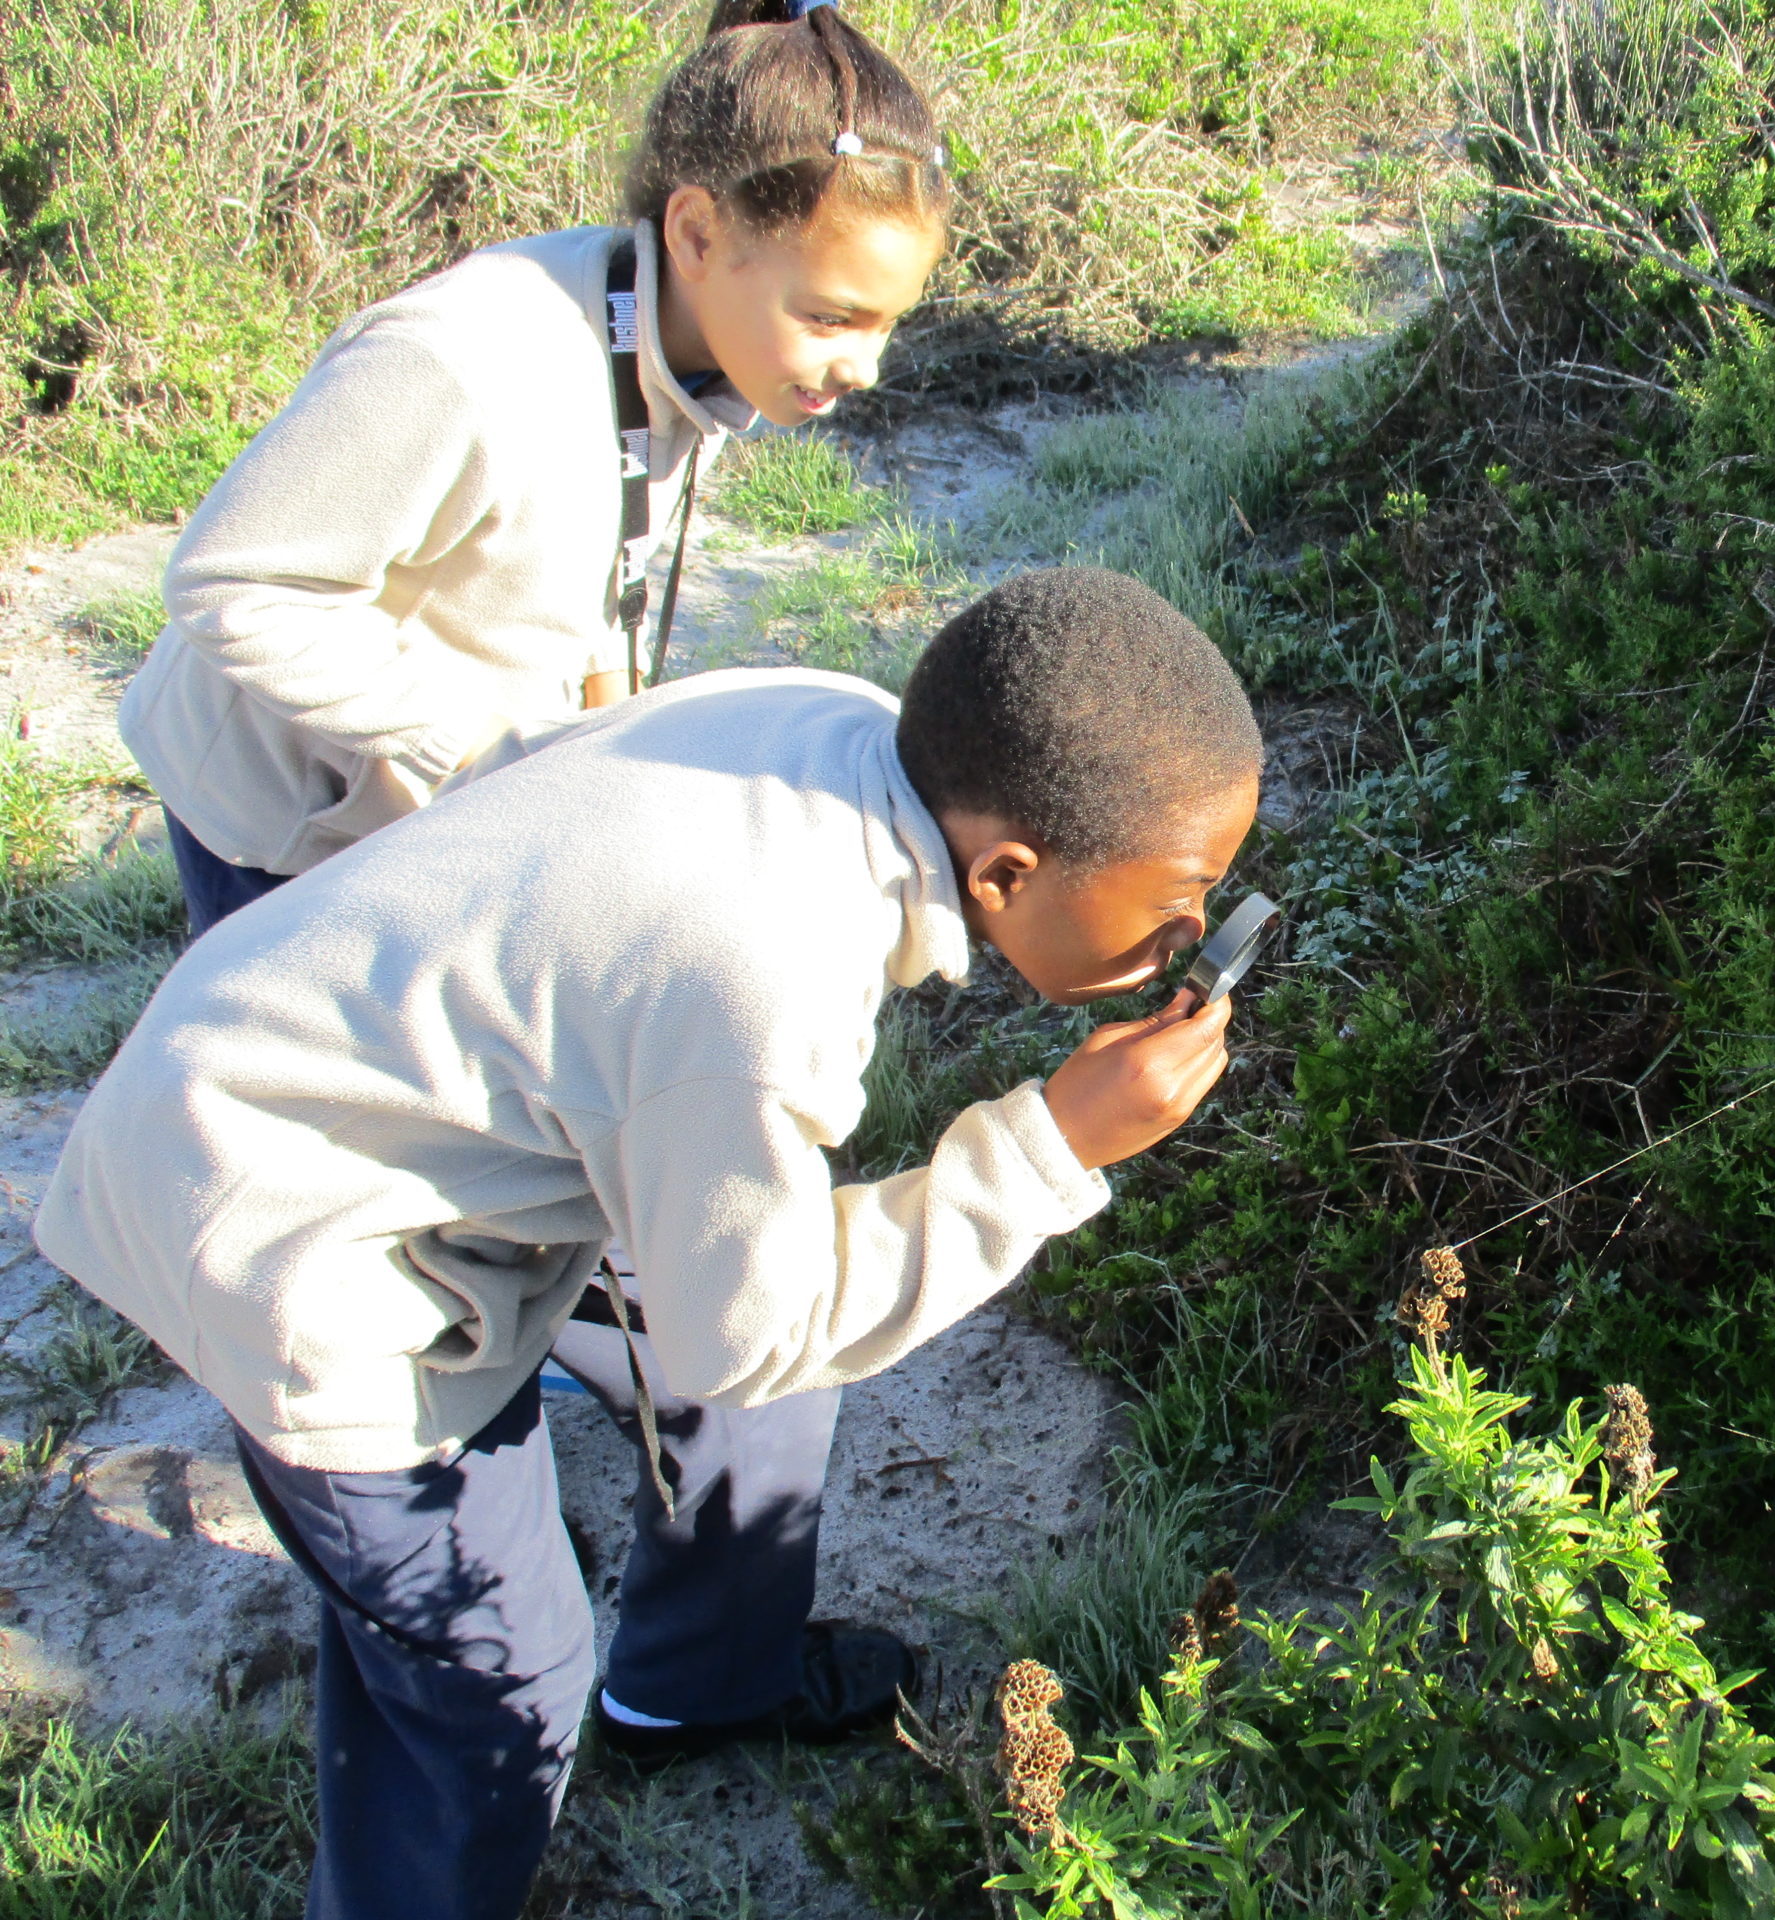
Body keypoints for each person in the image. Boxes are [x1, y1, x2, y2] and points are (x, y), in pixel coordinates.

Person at [36, 566, 1262, 1920]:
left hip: (302, 1070)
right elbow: (748, 1338)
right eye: (1181, 900)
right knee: (492, 1691)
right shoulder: (757, 973)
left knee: (714, 1352)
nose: (1188, 942)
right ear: (1006, 872)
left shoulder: (831, 721)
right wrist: (1053, 1147)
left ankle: (693, 1686)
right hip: (292, 1240)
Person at [119, 0, 950, 939]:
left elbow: (598, 555)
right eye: (832, 317)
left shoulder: (688, 336)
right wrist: (483, 747)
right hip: (278, 823)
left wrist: (601, 756)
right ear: (697, 235)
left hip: (431, 806)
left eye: (890, 321)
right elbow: (235, 582)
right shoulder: (461, 361)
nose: (865, 367)